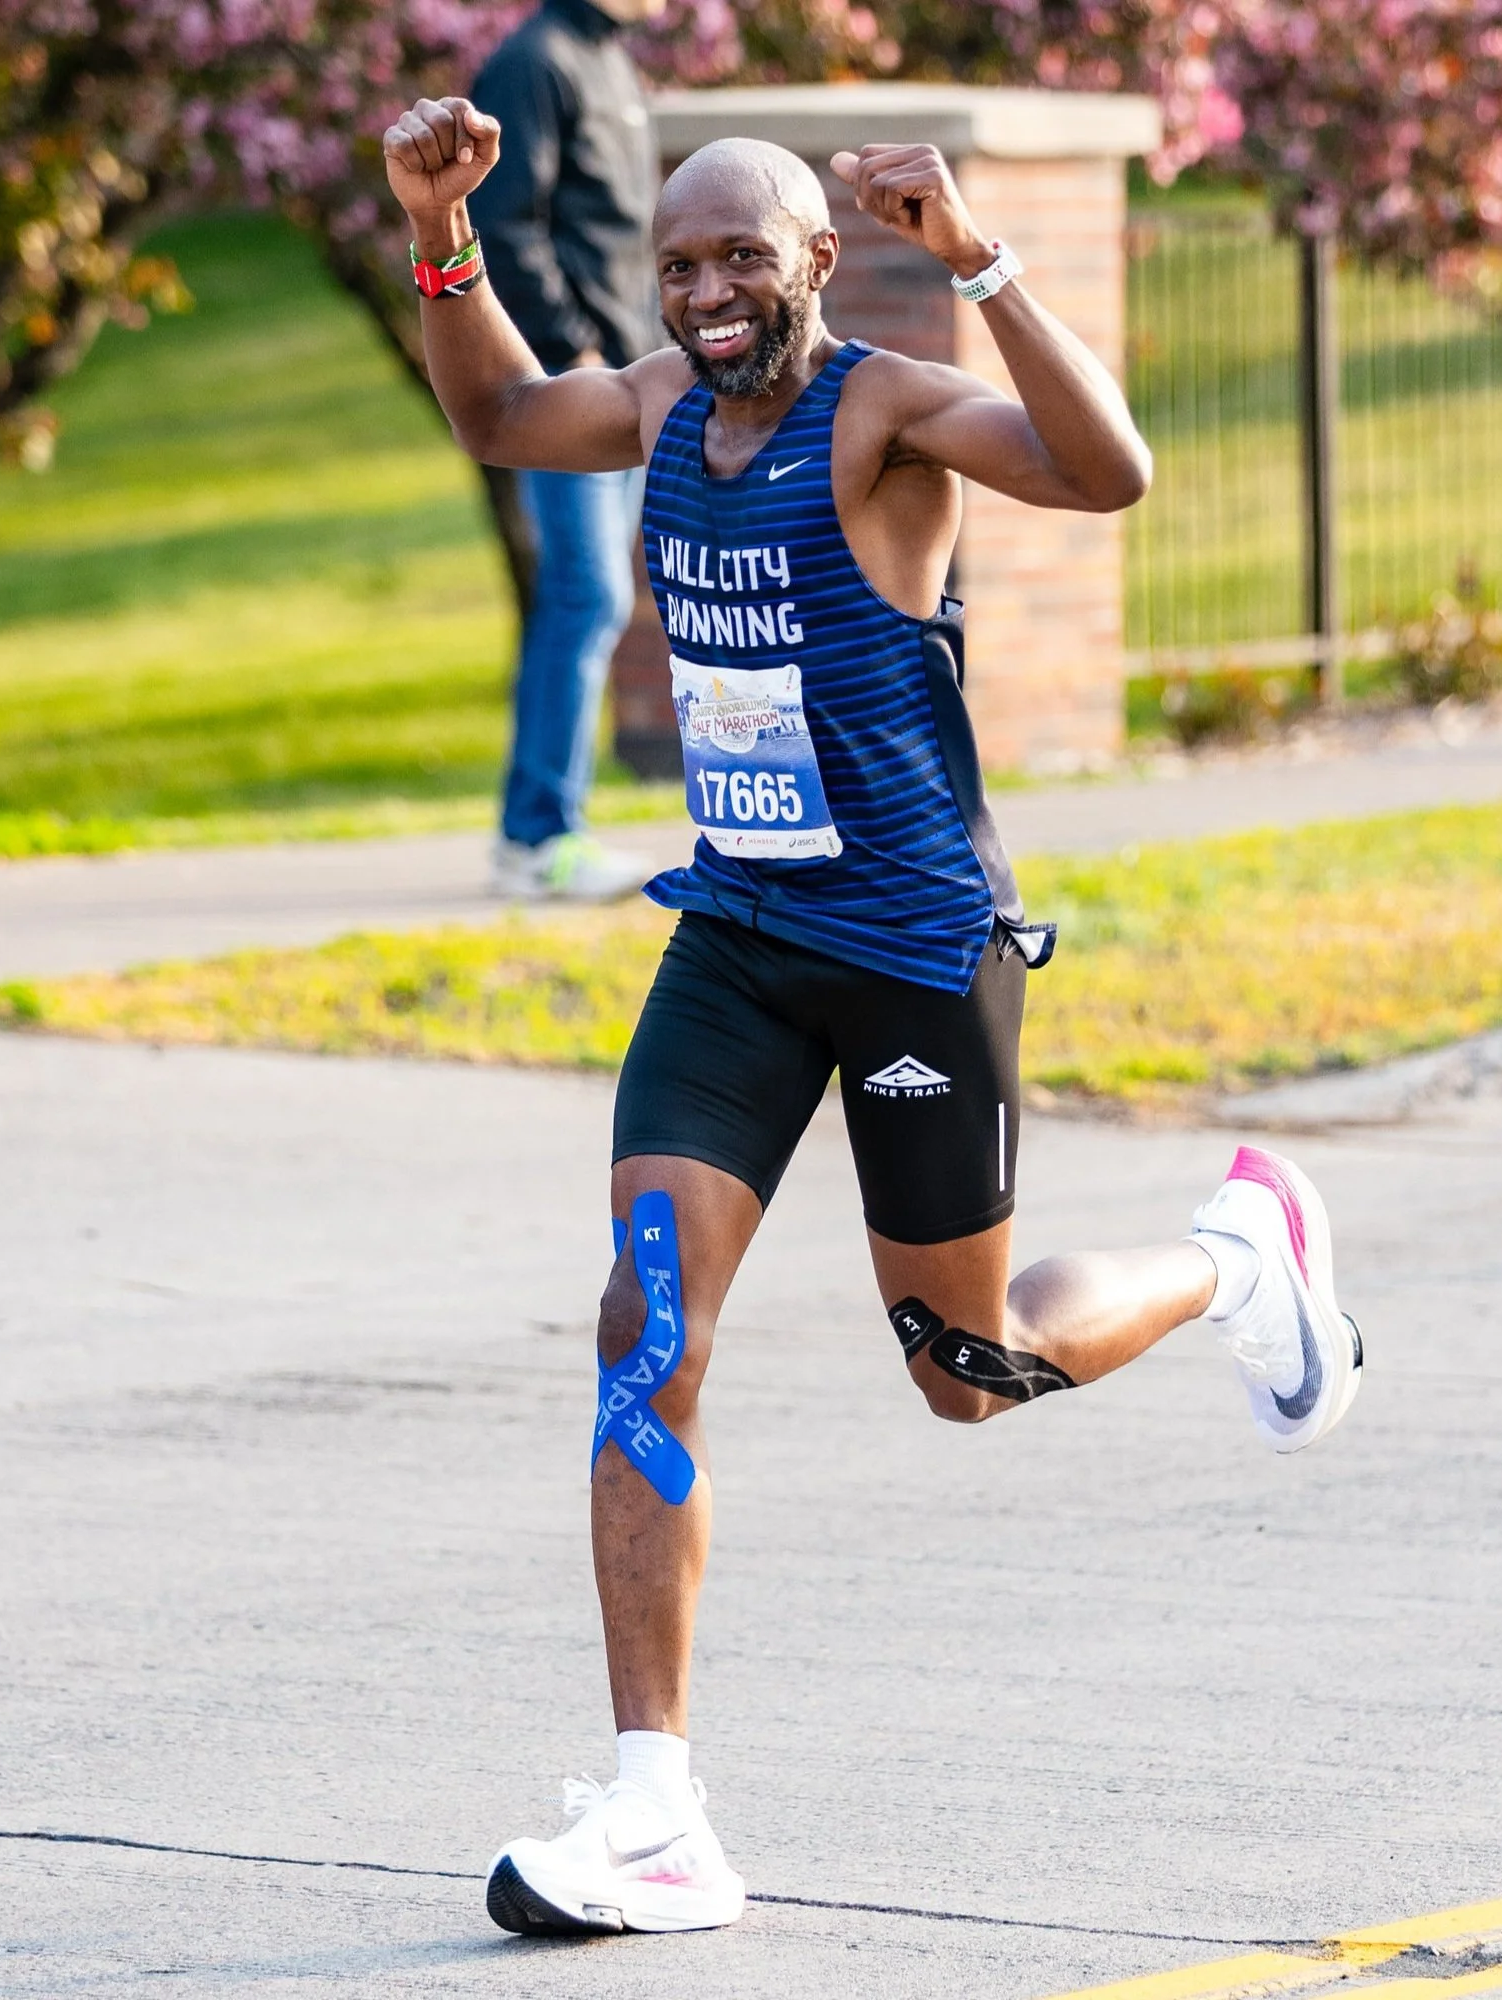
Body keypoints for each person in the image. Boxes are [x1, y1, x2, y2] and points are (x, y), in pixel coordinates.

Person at [381, 95, 1365, 1937]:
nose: (707, 293)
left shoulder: (895, 405)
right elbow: (507, 418)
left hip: (916, 948)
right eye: (679, 268)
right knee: (639, 1321)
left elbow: (1111, 472)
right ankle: (659, 1813)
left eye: (742, 256)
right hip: (739, 943)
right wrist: (445, 234)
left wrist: (982, 259)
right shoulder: (668, 405)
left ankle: (1242, 1258)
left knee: (964, 1370)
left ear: (821, 260)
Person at [467, 0, 665, 902]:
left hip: (630, 389)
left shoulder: (611, 63)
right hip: (571, 389)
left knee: (596, 597)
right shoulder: (533, 63)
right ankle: (540, 837)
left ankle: (539, 833)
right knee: (587, 594)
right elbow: (504, 224)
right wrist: (571, 350)